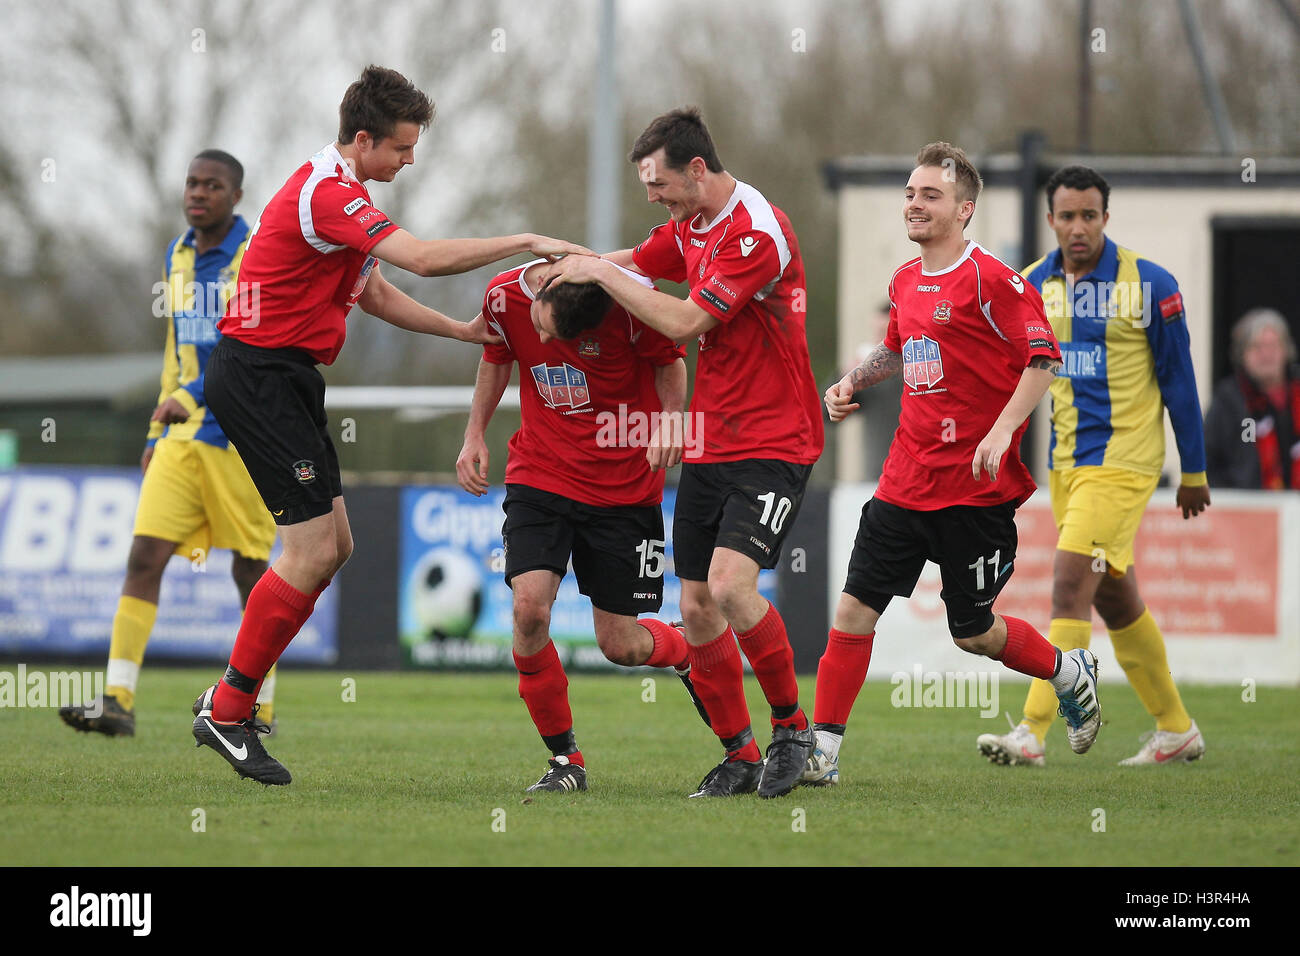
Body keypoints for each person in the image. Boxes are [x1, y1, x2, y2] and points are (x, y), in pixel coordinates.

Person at [191, 65, 590, 785]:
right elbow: (425, 259)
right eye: (402, 149)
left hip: (285, 377)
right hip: (258, 376)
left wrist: (463, 333)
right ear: (366, 140)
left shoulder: (343, 195)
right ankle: (227, 709)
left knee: (333, 545)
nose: (410, 161)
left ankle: (230, 698)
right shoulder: (330, 192)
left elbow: (371, 291)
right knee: (309, 552)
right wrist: (526, 238)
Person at [540, 107, 823, 798]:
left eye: (659, 182)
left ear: (697, 169)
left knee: (730, 587)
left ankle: (793, 729)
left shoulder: (756, 230)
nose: (653, 197)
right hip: (712, 438)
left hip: (776, 438)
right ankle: (740, 753)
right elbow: (636, 260)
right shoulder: (692, 224)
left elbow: (687, 317)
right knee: (696, 606)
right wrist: (569, 267)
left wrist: (601, 278)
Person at [805, 142, 1099, 788]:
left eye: (929, 195)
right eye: (910, 193)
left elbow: (1044, 360)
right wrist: (851, 381)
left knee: (974, 632)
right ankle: (821, 754)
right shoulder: (903, 281)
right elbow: (896, 350)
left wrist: (1001, 430)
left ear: (964, 209)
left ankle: (1068, 672)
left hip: (973, 495)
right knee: (854, 612)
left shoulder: (993, 280)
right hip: (904, 482)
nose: (914, 203)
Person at [977, 164, 1210, 768]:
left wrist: (1195, 470)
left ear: (1106, 218)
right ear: (1050, 219)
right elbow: (1004, 371)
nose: (1078, 227)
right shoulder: (1028, 285)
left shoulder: (1149, 284)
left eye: (1089, 216)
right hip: (1068, 466)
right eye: (1066, 216)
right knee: (1115, 598)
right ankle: (1176, 727)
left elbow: (1179, 381)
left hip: (1127, 462)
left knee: (1069, 581)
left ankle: (1032, 731)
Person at [456, 260, 709, 792]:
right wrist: (474, 434)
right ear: (542, 290)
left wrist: (669, 419)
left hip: (624, 491)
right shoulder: (505, 297)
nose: (545, 338)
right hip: (540, 476)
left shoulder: (635, 307)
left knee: (620, 645)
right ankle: (566, 761)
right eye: (544, 325)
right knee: (529, 612)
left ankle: (684, 649)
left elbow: (671, 362)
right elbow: (496, 355)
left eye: (559, 334)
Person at [60, 150, 278, 737]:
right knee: (143, 557)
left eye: (213, 185)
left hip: (243, 439)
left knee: (253, 572)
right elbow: (176, 349)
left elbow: (251, 352)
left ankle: (256, 708)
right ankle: (117, 701)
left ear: (236, 196)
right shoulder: (178, 254)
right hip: (182, 438)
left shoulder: (255, 256)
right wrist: (159, 426)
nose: (198, 193)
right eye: (192, 183)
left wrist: (195, 395)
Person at [1204, 308, 1299, 489]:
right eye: (1257, 347)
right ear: (1242, 355)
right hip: (1246, 509)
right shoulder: (1227, 400)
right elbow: (1208, 459)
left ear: (1286, 350)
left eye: (1273, 346)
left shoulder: (1297, 394)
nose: (1266, 354)